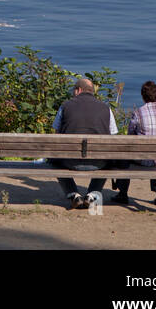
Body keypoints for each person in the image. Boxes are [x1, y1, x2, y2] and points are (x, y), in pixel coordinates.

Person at [51, 77, 119, 210]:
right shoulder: (106, 108)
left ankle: (74, 195)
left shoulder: (65, 106)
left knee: (55, 161)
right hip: (98, 162)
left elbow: (56, 134)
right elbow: (113, 136)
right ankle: (92, 195)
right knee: (108, 162)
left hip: (69, 161)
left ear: (78, 90)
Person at [117, 80, 156, 206]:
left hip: (143, 159)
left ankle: (122, 194)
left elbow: (130, 138)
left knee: (124, 156)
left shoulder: (138, 113)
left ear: (143, 96)